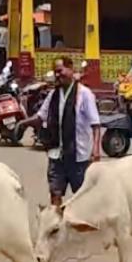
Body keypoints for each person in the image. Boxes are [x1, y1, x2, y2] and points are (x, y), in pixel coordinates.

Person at [20, 56, 102, 207]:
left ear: (71, 70)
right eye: (55, 72)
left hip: (79, 156)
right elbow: (40, 117)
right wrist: (22, 123)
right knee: (55, 194)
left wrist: (96, 150)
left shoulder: (84, 94)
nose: (58, 75)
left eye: (60, 71)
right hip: (56, 154)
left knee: (82, 198)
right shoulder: (53, 95)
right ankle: (57, 226)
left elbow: (95, 124)